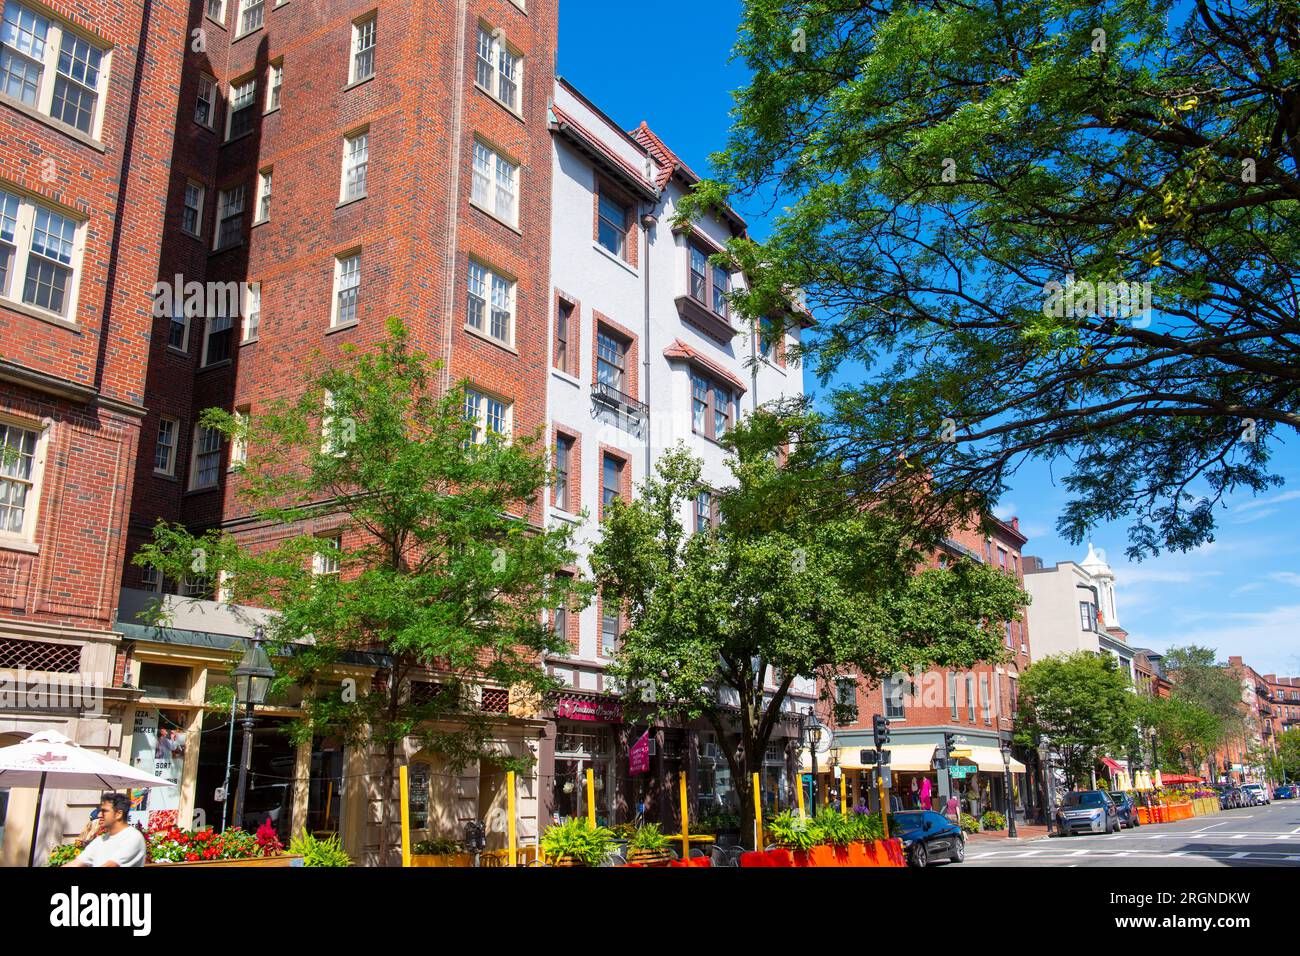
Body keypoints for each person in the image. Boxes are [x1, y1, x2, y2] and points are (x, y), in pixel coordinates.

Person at [64, 793, 146, 868]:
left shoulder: (133, 837)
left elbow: (111, 865)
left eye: (104, 811)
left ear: (119, 814)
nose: (100, 815)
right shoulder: (100, 840)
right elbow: (77, 863)